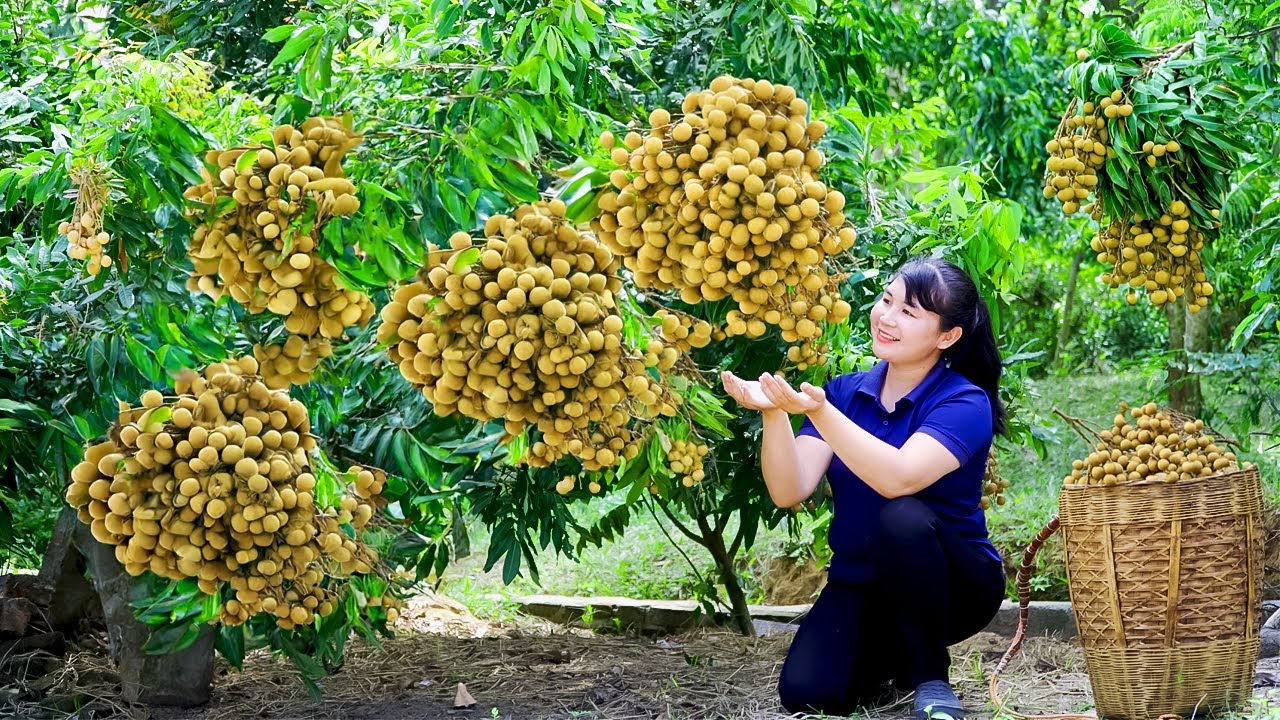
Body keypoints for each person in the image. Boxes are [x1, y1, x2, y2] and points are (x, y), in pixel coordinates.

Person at [721, 256, 1007, 720]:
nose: (886, 318)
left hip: (954, 584)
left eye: (910, 313)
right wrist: (773, 411)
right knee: (808, 695)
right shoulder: (845, 393)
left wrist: (816, 412)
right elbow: (789, 489)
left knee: (903, 516)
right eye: (886, 300)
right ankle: (893, 655)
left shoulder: (963, 400)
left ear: (947, 336)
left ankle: (931, 677)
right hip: (863, 583)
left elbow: (900, 477)